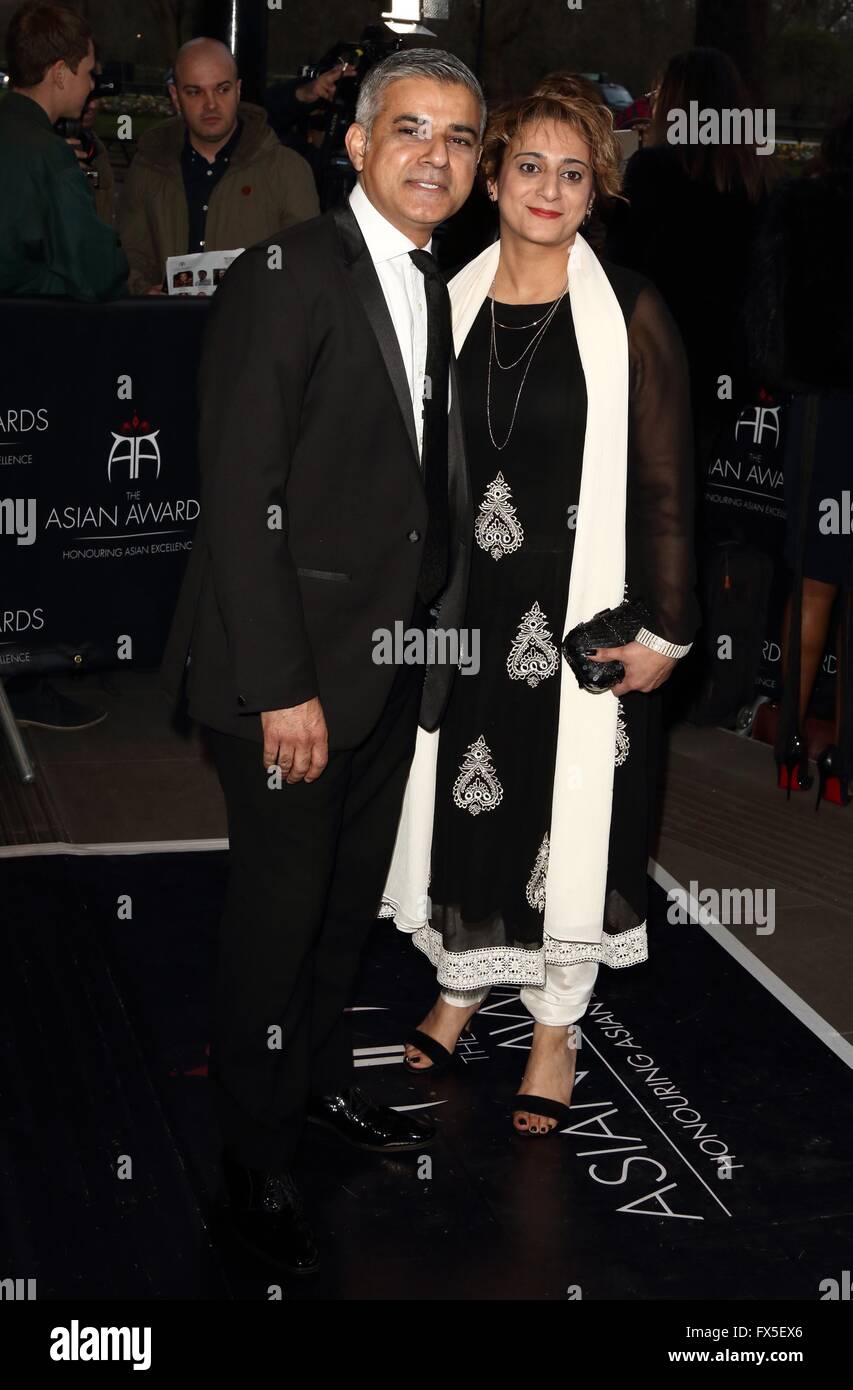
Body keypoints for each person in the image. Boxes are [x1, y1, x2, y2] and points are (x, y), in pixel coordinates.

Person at [160, 48, 484, 1271]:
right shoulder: (284, 274)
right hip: (287, 680)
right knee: (275, 921)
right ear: (354, 144)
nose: (433, 156)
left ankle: (295, 1100)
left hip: (387, 667)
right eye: (410, 129)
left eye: (458, 138)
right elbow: (241, 498)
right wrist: (281, 686)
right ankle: (252, 1157)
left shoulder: (433, 281)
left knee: (344, 913)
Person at [381, 89, 700, 1136]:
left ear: (595, 187)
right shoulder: (445, 298)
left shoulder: (631, 313)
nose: (549, 191)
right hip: (466, 621)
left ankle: (557, 1025)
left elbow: (664, 485)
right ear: (494, 174)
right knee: (470, 809)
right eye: (529, 167)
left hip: (578, 625)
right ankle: (462, 984)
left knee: (570, 831)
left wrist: (660, 631)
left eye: (573, 173)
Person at [746, 104, 853, 805]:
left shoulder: (800, 204)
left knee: (813, 580)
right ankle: (842, 765)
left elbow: (762, 307)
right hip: (821, 401)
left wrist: (770, 375)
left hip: (819, 406)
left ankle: (788, 742)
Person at [117, 37, 319, 296]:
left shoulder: (288, 170)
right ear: (175, 96)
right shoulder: (147, 168)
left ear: (238, 90)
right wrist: (143, 291)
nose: (210, 104)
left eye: (222, 89)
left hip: (257, 331)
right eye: (194, 92)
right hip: (168, 329)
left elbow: (306, 267)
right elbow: (130, 254)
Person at [0, 0, 128, 300]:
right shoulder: (51, 155)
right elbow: (100, 271)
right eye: (87, 73)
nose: (91, 85)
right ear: (59, 73)